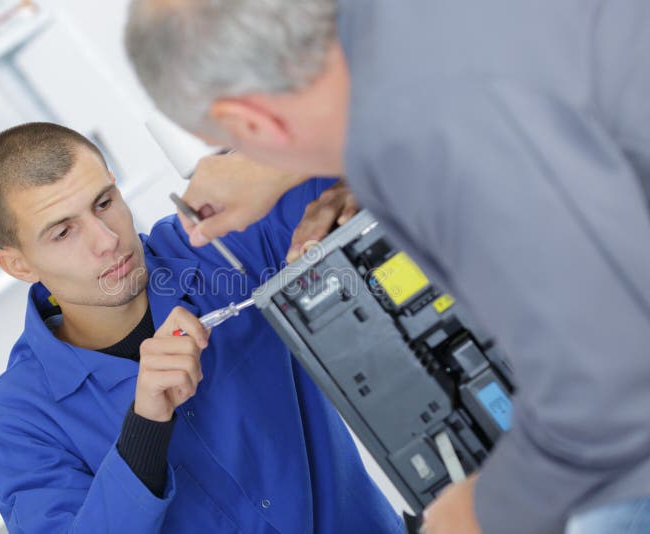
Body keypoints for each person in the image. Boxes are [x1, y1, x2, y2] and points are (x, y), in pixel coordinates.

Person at [124, 1, 650, 533]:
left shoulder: (433, 138)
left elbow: (616, 394)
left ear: (251, 122)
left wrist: (477, 510)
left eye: (230, 144)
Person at [0, 122, 402, 533]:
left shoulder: (218, 244)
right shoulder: (17, 420)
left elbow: (401, 130)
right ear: (18, 264)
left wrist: (267, 167)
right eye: (63, 232)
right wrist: (145, 428)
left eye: (104, 203)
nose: (107, 240)